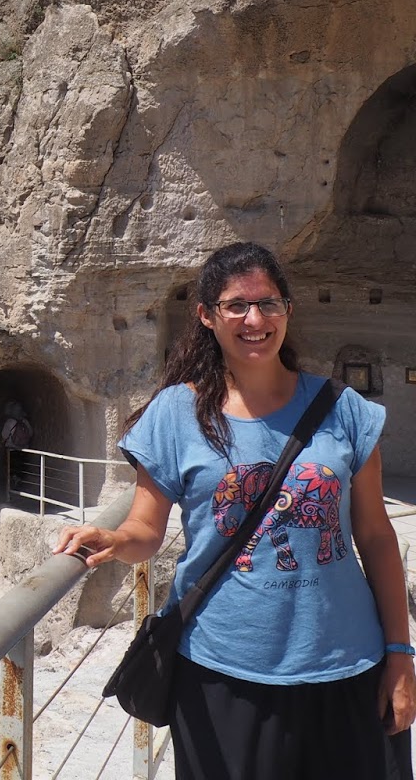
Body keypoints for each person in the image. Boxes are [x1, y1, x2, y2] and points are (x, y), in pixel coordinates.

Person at [55, 242, 416, 778]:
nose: (255, 319)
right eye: (236, 305)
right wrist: (113, 542)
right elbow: (145, 529)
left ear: (288, 311)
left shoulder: (346, 411)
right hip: (221, 669)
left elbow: (377, 537)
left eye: (269, 304)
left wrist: (400, 655)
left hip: (345, 663)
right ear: (206, 315)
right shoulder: (175, 414)